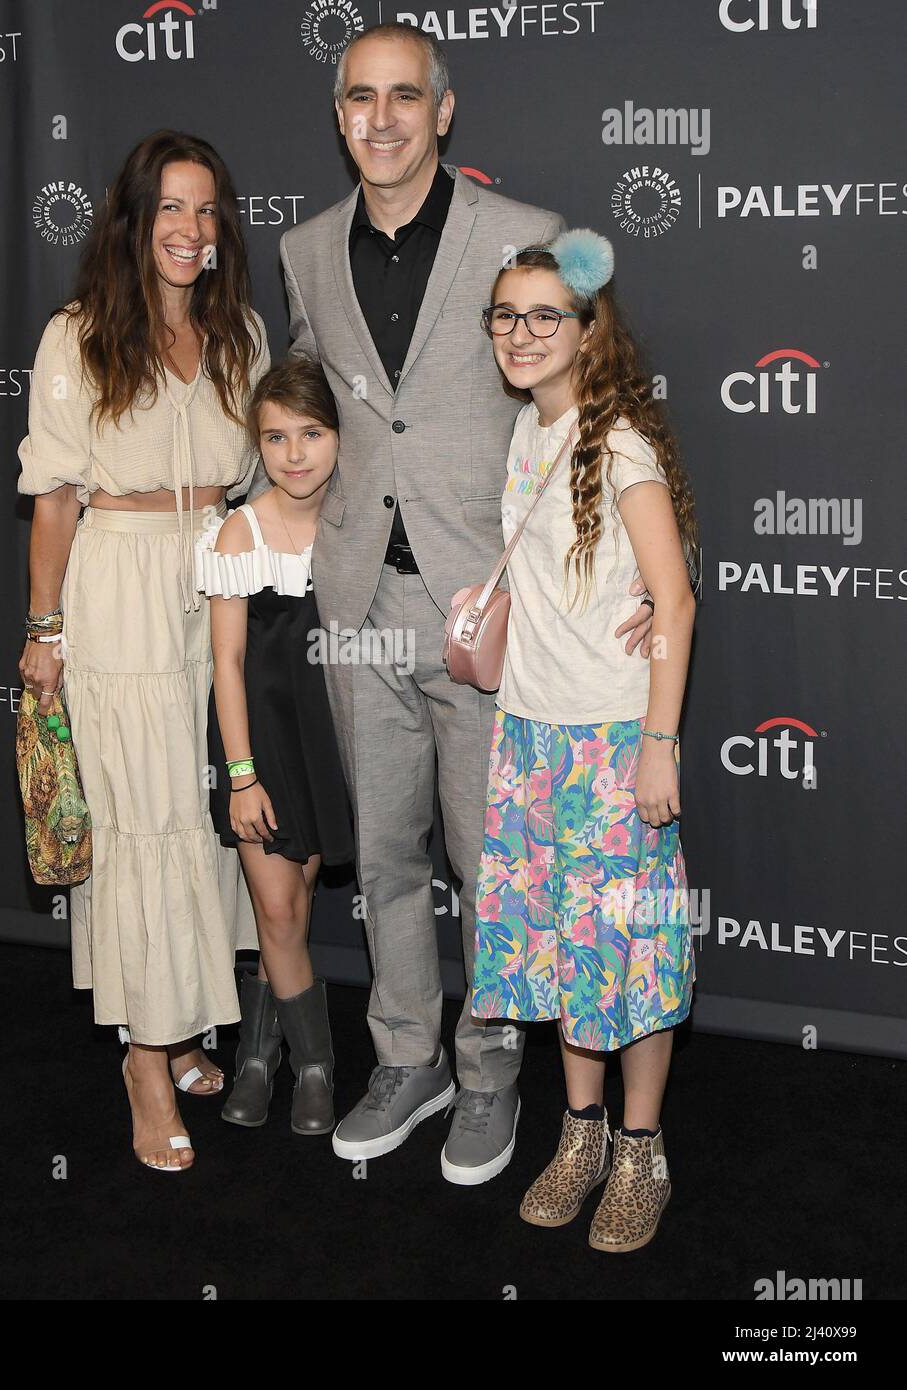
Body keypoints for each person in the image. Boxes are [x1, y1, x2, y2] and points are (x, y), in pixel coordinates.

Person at [251, 21, 655, 1184]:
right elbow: (309, 408)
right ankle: (405, 1056)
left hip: (489, 604)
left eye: (403, 97)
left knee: (491, 861)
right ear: (338, 116)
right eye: (358, 98)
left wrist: (648, 582)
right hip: (355, 597)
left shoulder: (524, 237)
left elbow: (606, 397)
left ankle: (487, 1075)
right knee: (379, 853)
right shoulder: (304, 247)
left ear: (444, 109)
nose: (380, 118)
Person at [16, 130, 269, 1172]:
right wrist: (43, 633)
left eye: (205, 211)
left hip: (214, 583)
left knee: (206, 816)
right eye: (169, 207)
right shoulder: (75, 337)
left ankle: (189, 1021)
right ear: (132, 221)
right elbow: (55, 501)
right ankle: (145, 1058)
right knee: (141, 817)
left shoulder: (239, 333)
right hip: (117, 587)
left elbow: (265, 479)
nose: (188, 228)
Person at [470, 231, 697, 1250]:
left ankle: (639, 1148)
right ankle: (580, 1134)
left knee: (632, 951)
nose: (520, 334)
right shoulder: (527, 431)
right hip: (530, 740)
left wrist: (658, 741)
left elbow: (676, 598)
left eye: (542, 317)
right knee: (563, 950)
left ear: (586, 330)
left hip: (611, 744)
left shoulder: (624, 447)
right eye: (504, 316)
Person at [196, 359, 354, 1136]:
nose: (295, 454)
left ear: (338, 435)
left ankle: (262, 1053)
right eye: (276, 438)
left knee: (285, 913)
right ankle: (312, 1067)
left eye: (312, 434)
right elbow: (224, 663)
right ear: (256, 445)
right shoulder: (240, 529)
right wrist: (240, 777)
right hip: (257, 747)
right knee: (279, 907)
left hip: (329, 745)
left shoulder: (358, 524)